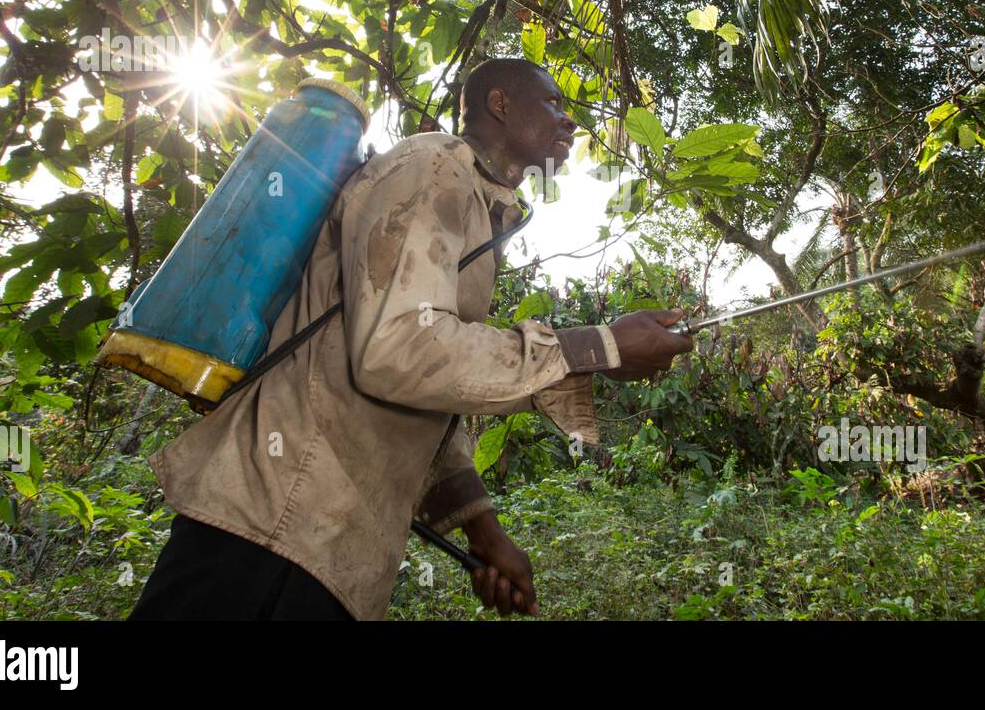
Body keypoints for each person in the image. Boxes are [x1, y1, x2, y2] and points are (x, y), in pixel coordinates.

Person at [129, 58, 693, 620]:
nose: (568, 123)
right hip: (274, 525)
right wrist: (599, 347)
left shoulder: (477, 204)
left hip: (321, 550)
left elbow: (424, 392)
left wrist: (483, 530)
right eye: (551, 104)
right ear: (500, 104)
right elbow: (399, 351)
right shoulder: (434, 165)